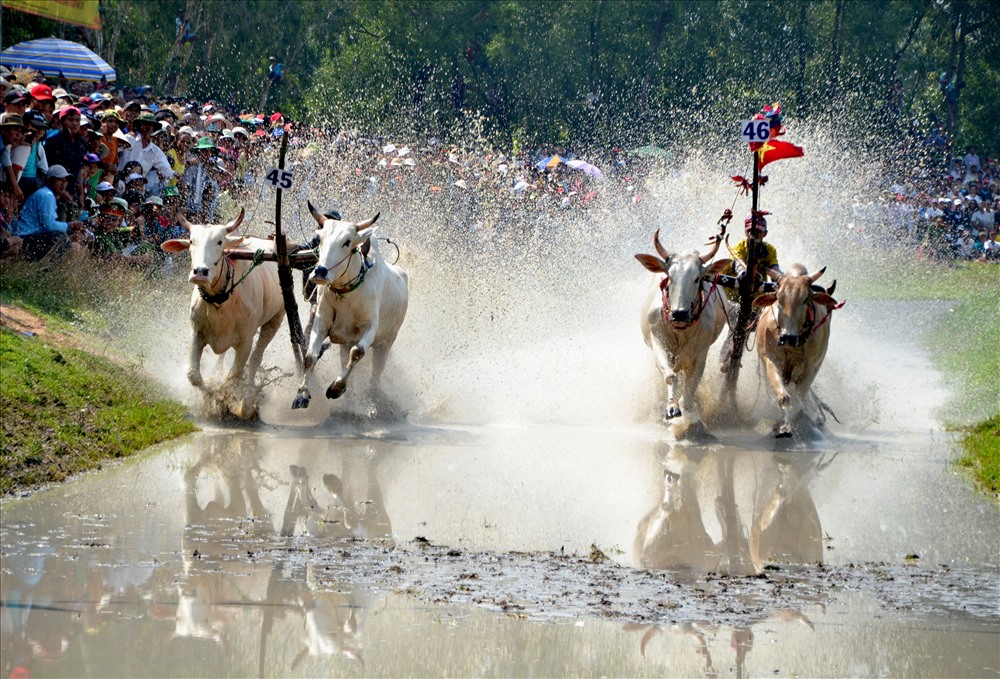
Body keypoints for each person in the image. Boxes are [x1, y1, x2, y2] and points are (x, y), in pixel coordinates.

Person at [720, 214, 781, 374]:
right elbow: (739, 268)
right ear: (745, 231)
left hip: (756, 300)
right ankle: (726, 358)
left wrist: (782, 279)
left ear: (765, 233)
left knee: (753, 322)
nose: (754, 235)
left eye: (758, 232)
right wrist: (747, 275)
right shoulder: (739, 248)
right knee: (739, 322)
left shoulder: (769, 250)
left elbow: (774, 269)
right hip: (732, 298)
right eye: (750, 231)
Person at [8, 165, 85, 260]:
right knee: (59, 237)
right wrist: (70, 226)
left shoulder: (46, 193)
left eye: (65, 180)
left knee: (66, 240)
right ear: (49, 181)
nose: (63, 184)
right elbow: (49, 226)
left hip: (29, 236)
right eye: (60, 180)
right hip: (25, 238)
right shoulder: (46, 195)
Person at [117, 112, 174, 197]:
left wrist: (175, 174)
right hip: (121, 184)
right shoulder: (129, 139)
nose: (147, 127)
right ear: (140, 125)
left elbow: (165, 168)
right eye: (145, 124)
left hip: (139, 188)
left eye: (150, 125)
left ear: (153, 128)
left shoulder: (155, 151)